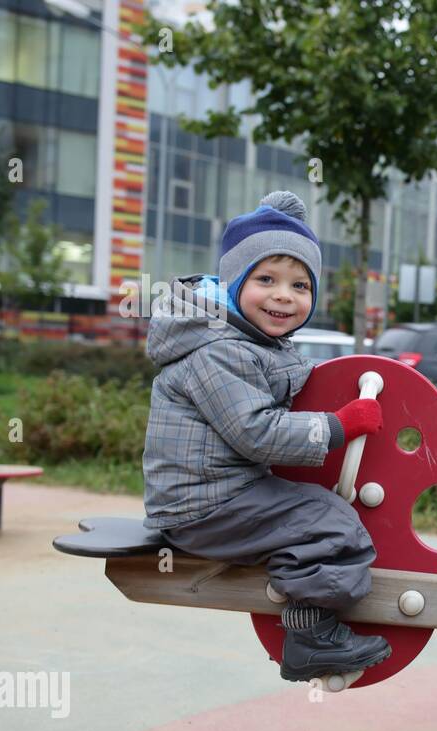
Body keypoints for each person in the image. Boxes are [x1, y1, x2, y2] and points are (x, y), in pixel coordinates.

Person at [141, 190, 392, 683]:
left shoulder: (250, 342)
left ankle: (308, 612)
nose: (284, 295)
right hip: (202, 506)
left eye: (300, 285)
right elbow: (257, 432)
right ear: (234, 283)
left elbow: (289, 384)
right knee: (327, 522)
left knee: (314, 510)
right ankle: (310, 636)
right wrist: (340, 425)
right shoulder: (216, 351)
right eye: (266, 280)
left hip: (215, 493)